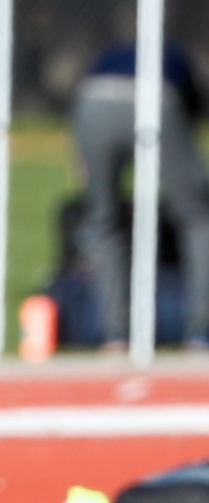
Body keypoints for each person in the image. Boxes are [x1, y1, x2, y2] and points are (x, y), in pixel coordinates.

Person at [72, 41, 209, 349]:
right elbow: (190, 121)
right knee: (198, 216)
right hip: (158, 101)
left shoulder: (106, 56)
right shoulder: (178, 58)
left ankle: (114, 335)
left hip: (94, 106)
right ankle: (200, 330)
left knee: (103, 219)